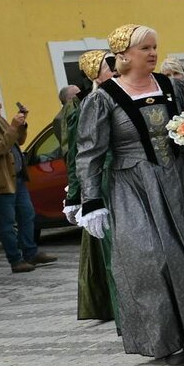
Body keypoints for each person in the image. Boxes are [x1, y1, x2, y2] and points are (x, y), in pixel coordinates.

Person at [75, 25, 184, 364]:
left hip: (179, 182)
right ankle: (165, 340)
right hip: (134, 187)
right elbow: (89, 153)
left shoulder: (174, 86)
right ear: (123, 55)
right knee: (151, 259)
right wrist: (91, 201)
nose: (152, 53)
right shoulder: (102, 99)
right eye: (145, 47)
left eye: (154, 46)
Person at [61, 50, 117, 325]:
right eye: (110, 66)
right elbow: (76, 154)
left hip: (126, 176)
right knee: (112, 246)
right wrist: (75, 195)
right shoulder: (85, 107)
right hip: (104, 183)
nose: (117, 69)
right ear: (96, 73)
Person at [0, 94, 53, 273]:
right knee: (6, 223)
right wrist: (13, 126)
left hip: (18, 178)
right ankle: (15, 260)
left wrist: (21, 125)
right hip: (1, 182)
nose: (0, 107)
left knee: (27, 215)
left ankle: (31, 253)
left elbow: (18, 141)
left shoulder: (1, 121)